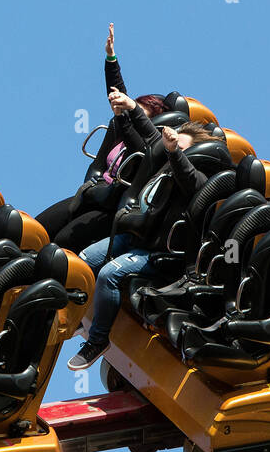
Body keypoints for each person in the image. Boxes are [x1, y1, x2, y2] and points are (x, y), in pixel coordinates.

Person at [67, 116, 216, 370]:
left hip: (157, 253)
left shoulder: (199, 181)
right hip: (136, 235)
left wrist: (174, 152)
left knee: (109, 274)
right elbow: (147, 133)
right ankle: (76, 315)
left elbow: (189, 177)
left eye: (180, 147)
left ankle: (98, 340)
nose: (171, 148)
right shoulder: (162, 165)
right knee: (83, 259)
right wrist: (130, 106)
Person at [36, 23, 169, 251]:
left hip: (109, 209)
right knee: (39, 227)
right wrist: (111, 58)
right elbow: (116, 92)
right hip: (92, 194)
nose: (130, 116)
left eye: (138, 117)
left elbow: (136, 141)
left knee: (62, 242)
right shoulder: (123, 126)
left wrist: (128, 117)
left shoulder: (149, 149)